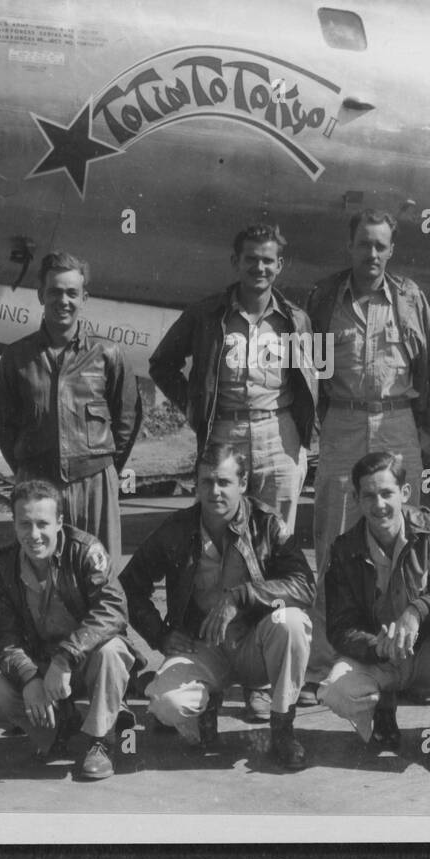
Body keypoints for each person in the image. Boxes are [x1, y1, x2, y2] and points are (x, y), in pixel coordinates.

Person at [147, 224, 318, 722]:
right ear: (235, 261)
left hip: (277, 432)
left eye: (268, 260)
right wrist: (198, 410)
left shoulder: (296, 319)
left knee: (273, 548)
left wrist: (306, 433)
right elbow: (162, 365)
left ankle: (263, 680)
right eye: (250, 259)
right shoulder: (206, 313)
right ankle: (215, 658)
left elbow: (311, 379)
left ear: (279, 266)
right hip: (224, 434)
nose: (259, 268)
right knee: (221, 544)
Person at [303, 210, 430, 704]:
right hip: (344, 423)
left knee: (404, 542)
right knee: (333, 544)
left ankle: (406, 663)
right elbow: (308, 373)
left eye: (380, 246)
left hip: (397, 421)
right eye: (364, 245)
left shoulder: (409, 298)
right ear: (350, 247)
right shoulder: (326, 299)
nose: (372, 254)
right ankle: (322, 665)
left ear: (392, 250)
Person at [118, 443, 315, 770]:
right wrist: (161, 635)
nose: (215, 491)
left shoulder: (267, 524)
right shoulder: (177, 529)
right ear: (196, 485)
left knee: (291, 623)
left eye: (224, 482)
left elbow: (304, 586)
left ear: (242, 482)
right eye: (206, 482)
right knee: (167, 705)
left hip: (255, 645)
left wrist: (241, 596)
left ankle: (282, 729)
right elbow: (128, 587)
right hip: (202, 647)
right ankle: (205, 708)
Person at [321, 451, 430, 774]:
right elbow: (339, 627)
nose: (379, 505)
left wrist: (419, 609)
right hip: (383, 657)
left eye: (387, 493)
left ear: (404, 493)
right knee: (335, 690)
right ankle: (383, 710)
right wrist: (375, 647)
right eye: (369, 496)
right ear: (356, 499)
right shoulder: (344, 549)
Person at [0, 252, 142, 563]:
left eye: (72, 293)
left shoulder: (108, 354)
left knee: (100, 575)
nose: (63, 300)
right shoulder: (16, 357)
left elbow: (127, 420)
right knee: (41, 576)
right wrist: (28, 470)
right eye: (55, 291)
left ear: (85, 297)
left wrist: (105, 471)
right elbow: (1, 426)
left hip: (94, 484)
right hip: (39, 484)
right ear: (41, 295)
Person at [0, 480, 137, 781]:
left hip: (83, 661)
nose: (34, 534)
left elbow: (113, 609)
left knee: (112, 650)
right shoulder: (3, 566)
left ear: (60, 523)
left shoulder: (85, 550)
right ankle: (60, 729)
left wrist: (65, 658)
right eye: (24, 524)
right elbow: (2, 637)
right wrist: (28, 678)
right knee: (0, 693)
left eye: (43, 523)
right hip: (42, 666)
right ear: (14, 525)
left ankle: (100, 740)